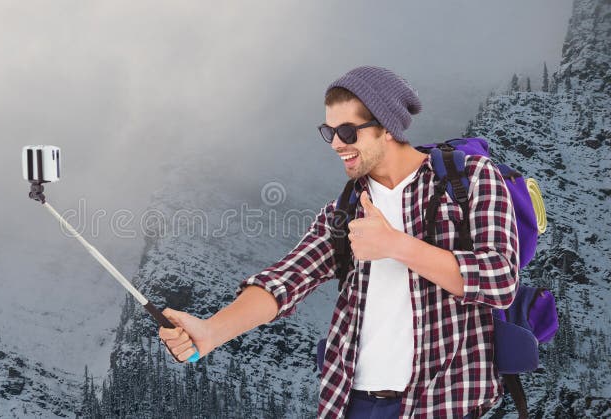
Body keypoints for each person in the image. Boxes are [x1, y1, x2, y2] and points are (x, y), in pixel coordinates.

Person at [158, 66, 519, 418]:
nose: (335, 144)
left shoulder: (469, 179)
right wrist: (211, 331)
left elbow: (500, 279)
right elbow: (287, 279)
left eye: (347, 131)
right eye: (328, 131)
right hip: (352, 403)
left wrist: (396, 245)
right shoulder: (344, 211)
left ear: (387, 128)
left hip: (443, 402)